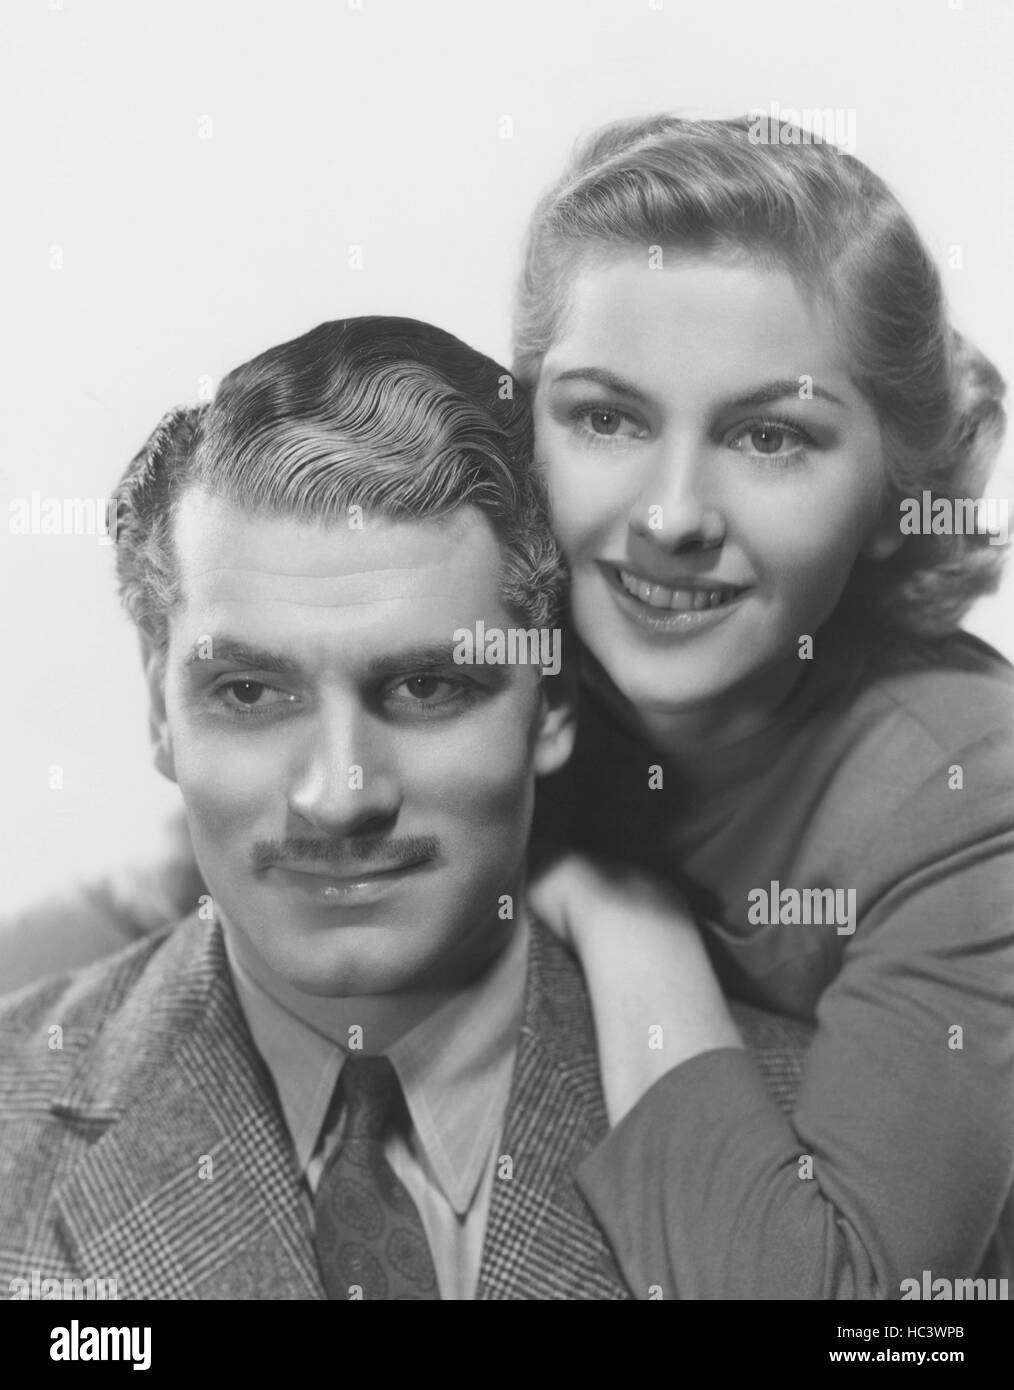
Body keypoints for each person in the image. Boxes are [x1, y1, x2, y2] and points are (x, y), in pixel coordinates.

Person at [0, 315, 812, 1302]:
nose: (340, 795)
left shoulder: (848, 1153)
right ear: (158, 709)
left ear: (552, 699)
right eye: (250, 693)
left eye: (427, 687)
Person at [516, 115, 1014, 1299]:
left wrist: (621, 909)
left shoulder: (968, 790)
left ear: (899, 490)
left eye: (770, 435)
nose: (674, 514)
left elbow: (846, 1318)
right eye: (608, 417)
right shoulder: (495, 671)